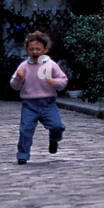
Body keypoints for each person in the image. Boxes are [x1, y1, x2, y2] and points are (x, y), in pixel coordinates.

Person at [9, 31, 68, 165]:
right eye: (31, 49)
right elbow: (15, 86)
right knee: (25, 130)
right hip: (29, 104)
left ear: (45, 49)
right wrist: (19, 77)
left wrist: (55, 82)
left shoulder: (51, 64)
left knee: (57, 126)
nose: (35, 52)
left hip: (48, 103)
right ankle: (22, 155)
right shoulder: (24, 66)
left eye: (38, 49)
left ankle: (54, 139)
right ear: (27, 50)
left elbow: (63, 80)